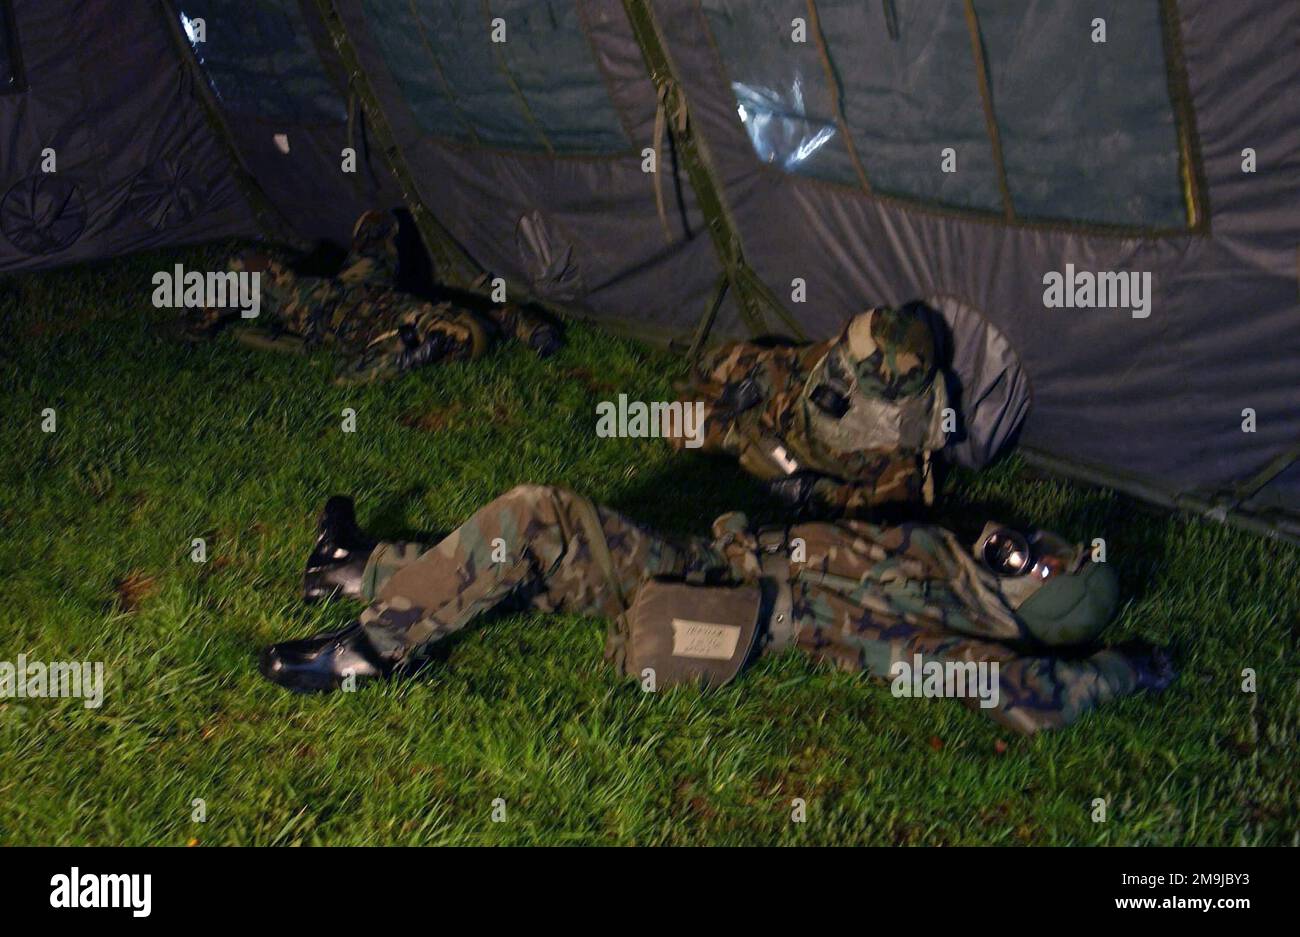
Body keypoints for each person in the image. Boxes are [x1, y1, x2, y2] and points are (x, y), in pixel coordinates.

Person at [258, 486, 1175, 734]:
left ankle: (366, 649)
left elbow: (1031, 694)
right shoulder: (947, 555)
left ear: (1032, 604)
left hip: (722, 600)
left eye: (1029, 562)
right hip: (711, 558)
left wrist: (1131, 666)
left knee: (541, 517)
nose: (1011, 542)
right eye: (1030, 542)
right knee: (537, 559)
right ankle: (355, 566)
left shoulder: (936, 631)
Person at [178, 209, 562, 384]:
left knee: (244, 263)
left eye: (440, 326)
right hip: (372, 287)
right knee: (379, 224)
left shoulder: (395, 348)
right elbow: (509, 317)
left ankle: (201, 321)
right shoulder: (464, 322)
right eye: (447, 317)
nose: (437, 315)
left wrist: (407, 357)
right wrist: (540, 334)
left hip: (318, 306)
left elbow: (346, 376)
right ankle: (335, 256)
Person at [668, 302, 951, 518]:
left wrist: (810, 492)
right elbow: (797, 362)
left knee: (676, 422)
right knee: (710, 366)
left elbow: (872, 511)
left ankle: (733, 433)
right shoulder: (840, 360)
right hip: (790, 405)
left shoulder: (897, 462)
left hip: (788, 453)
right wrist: (755, 380)